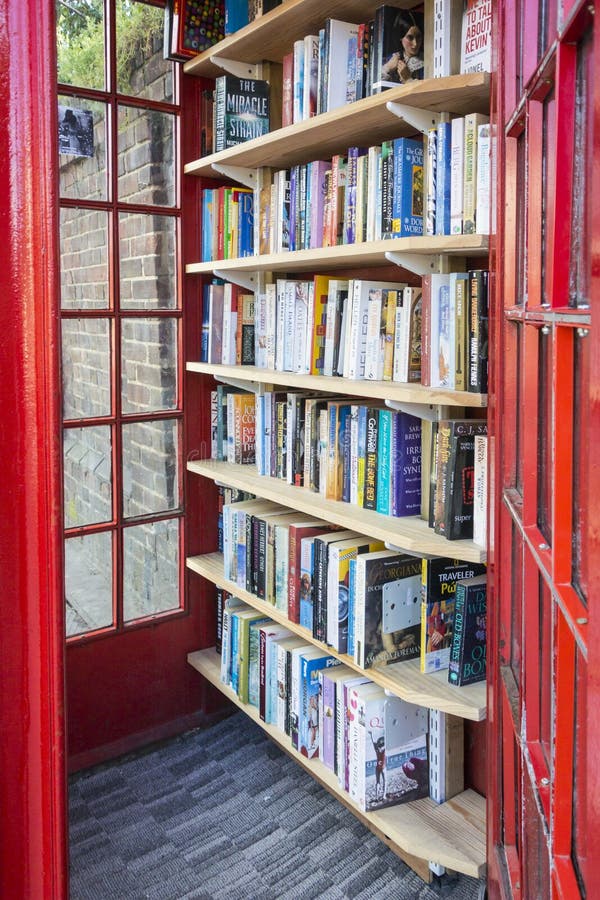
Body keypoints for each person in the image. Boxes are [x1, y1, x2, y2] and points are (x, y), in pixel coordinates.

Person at [380, 12, 424, 84]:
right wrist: (387, 67)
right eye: (410, 37)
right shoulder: (389, 59)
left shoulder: (428, 61)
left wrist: (408, 79)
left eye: (418, 37)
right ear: (401, 37)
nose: (415, 44)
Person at [369, 730, 386, 800]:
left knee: (377, 782)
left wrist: (371, 735)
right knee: (385, 781)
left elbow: (373, 742)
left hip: (377, 767)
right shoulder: (384, 750)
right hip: (383, 767)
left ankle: (376, 796)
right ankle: (383, 796)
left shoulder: (377, 750)